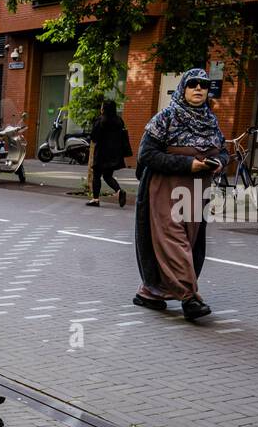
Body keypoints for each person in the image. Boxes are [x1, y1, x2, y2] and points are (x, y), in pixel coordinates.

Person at [132, 68, 229, 322]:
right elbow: (147, 155)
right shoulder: (165, 117)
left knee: (189, 240)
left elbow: (224, 152)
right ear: (183, 88)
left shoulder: (210, 120)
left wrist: (217, 162)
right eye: (193, 84)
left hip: (197, 191)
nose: (199, 89)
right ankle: (189, 297)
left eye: (204, 85)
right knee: (174, 240)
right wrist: (187, 165)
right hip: (165, 188)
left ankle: (152, 291)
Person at [86, 100, 131, 208]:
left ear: (104, 109)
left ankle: (95, 199)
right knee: (107, 175)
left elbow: (94, 138)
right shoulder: (119, 120)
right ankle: (119, 191)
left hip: (102, 152)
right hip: (115, 153)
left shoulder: (100, 121)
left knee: (96, 175)